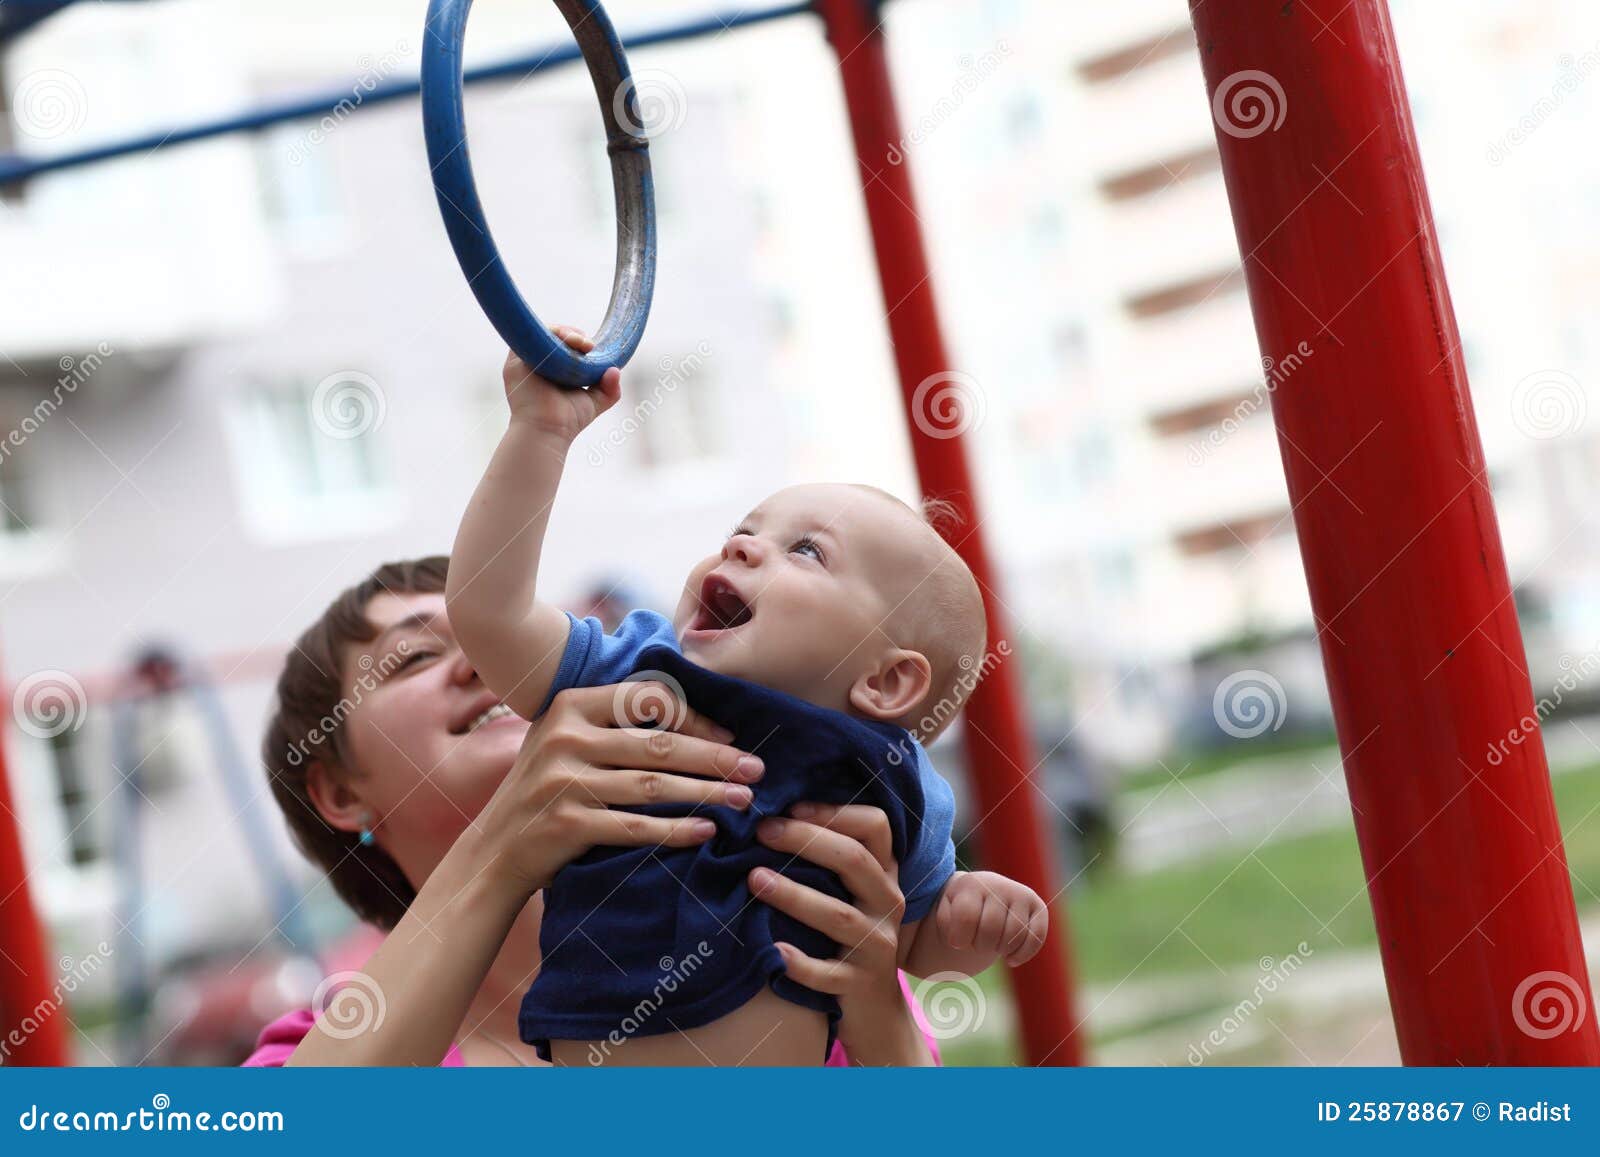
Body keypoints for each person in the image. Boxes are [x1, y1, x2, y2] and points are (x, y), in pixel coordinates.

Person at [444, 329, 1049, 1065]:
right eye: (742, 531)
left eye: (807, 551)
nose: (739, 546)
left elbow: (916, 947)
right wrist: (537, 436)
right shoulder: (635, 677)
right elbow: (488, 610)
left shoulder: (893, 780)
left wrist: (970, 922)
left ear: (887, 681)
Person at [244, 556, 943, 1066]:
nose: (485, 664)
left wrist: (883, 1025)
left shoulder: (798, 943)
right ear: (339, 791)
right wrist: (503, 848)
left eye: (501, 640)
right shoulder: (307, 1053)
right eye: (415, 655)